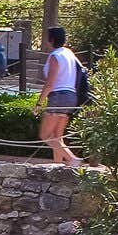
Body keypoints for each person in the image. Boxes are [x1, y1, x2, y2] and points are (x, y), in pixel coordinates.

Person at [36, 25, 82, 166]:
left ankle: (73, 160)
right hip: (71, 96)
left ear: (51, 39)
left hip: (58, 96)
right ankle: (58, 164)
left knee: (45, 135)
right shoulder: (69, 53)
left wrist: (39, 103)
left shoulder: (55, 56)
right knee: (57, 136)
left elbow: (50, 83)